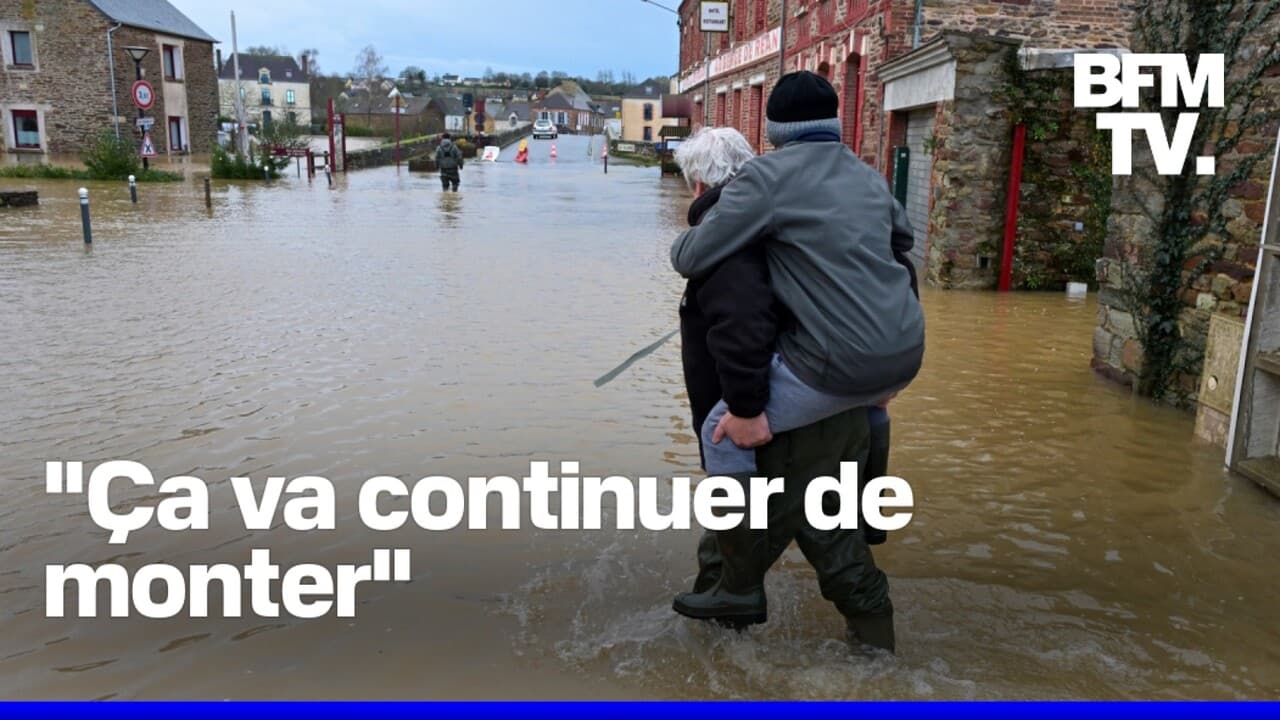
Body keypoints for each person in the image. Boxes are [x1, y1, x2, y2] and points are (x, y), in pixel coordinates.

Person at [670, 72, 924, 641]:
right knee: (835, 532)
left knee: (725, 434)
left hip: (813, 398)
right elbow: (901, 252)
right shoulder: (864, 176)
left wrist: (746, 409)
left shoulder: (761, 190)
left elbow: (719, 298)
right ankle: (868, 517)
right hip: (894, 358)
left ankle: (737, 594)